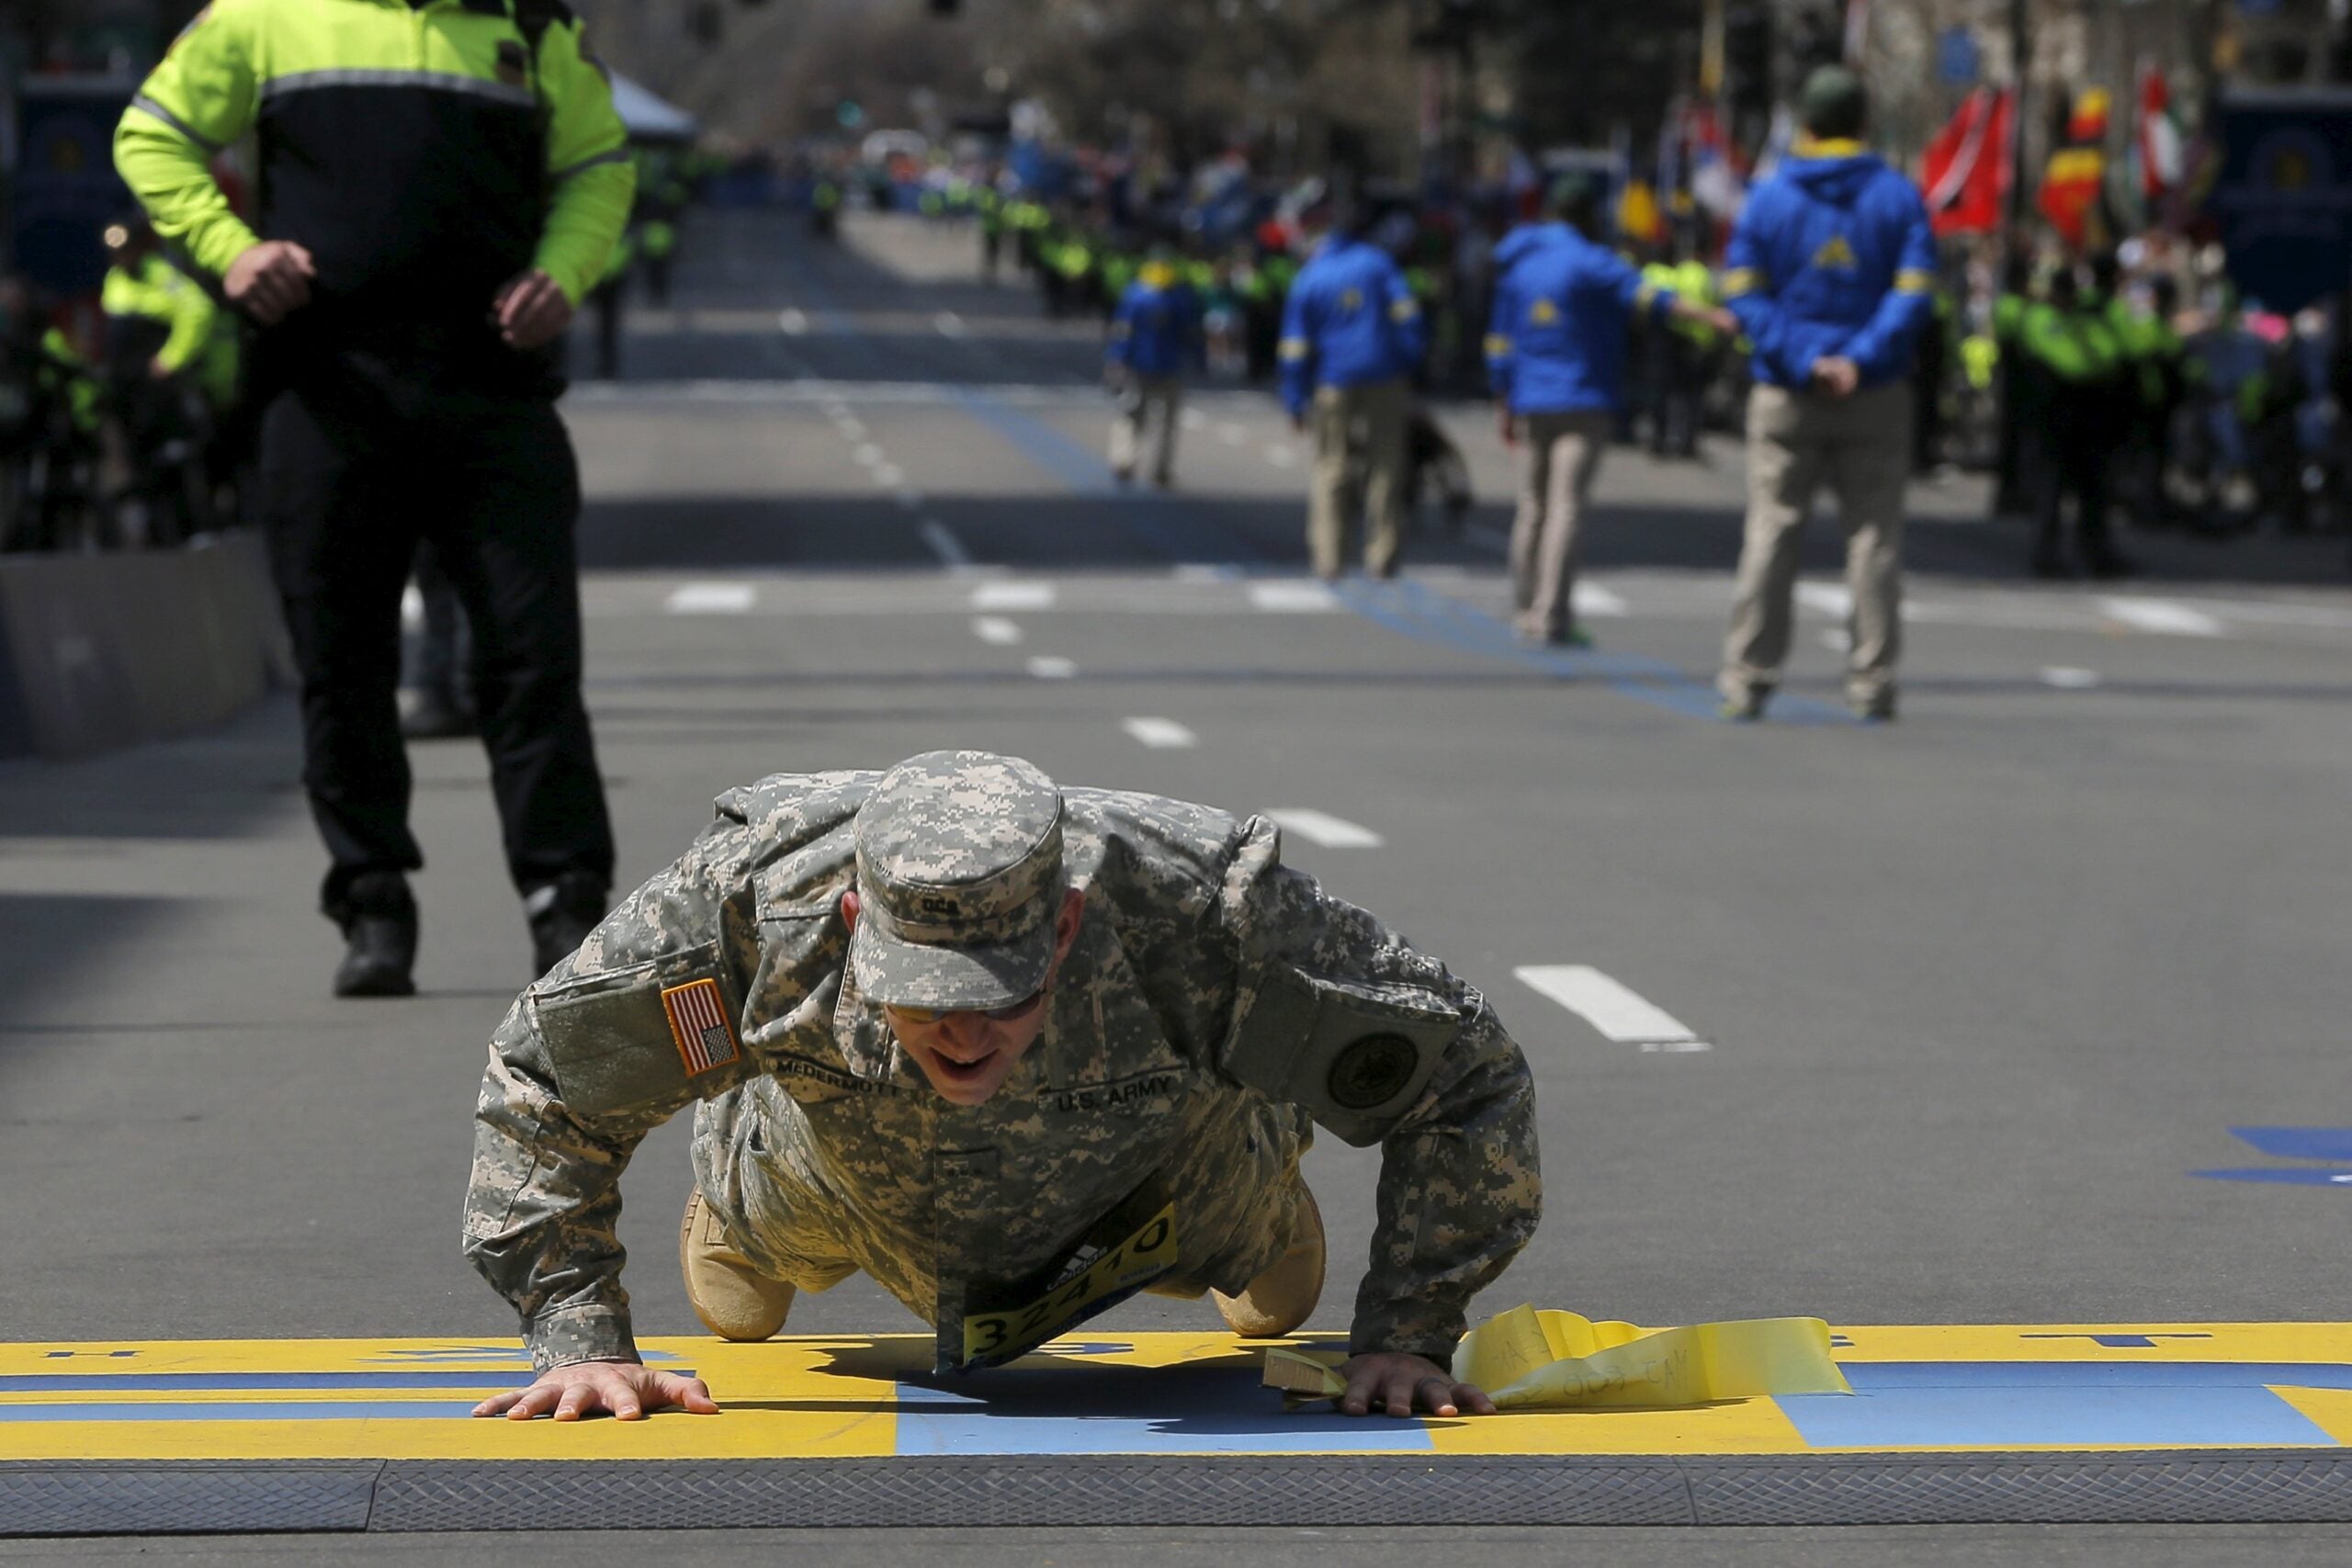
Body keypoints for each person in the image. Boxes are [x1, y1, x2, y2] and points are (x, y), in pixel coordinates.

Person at [464, 750, 1541, 1423]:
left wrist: (1409, 1326)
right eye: (924, 994)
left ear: (1065, 922)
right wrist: (578, 1336)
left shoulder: (1203, 911)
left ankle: (1262, 1217)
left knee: (1263, 1276)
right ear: (856, 925)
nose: (964, 1031)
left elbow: (1463, 1072)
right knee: (746, 1295)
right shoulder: (751, 905)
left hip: (1166, 1185)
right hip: (829, 1182)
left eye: (999, 990)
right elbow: (545, 1079)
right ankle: (738, 1217)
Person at [116, 0, 634, 996]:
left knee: (533, 659)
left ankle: (563, 900)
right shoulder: (263, 16)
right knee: (340, 660)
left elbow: (598, 165)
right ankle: (372, 896)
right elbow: (155, 135)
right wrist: (230, 251)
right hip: (327, 395)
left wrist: (563, 273)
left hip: (494, 397)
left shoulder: (525, 23)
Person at [1716, 66, 1934, 723]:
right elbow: (1914, 293)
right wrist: (1858, 359)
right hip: (1875, 393)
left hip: (1787, 391)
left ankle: (1749, 677)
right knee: (1874, 540)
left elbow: (1744, 294)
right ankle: (1872, 683)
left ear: (1806, 125)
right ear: (1864, 123)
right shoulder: (1898, 197)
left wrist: (1805, 358)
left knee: (1772, 532)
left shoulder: (1770, 196)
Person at [1487, 176, 1734, 646]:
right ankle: (1552, 615)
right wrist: (1710, 316)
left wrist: (1503, 394)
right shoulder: (1593, 261)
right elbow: (1651, 299)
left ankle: (1524, 607)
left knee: (1532, 508)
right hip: (1584, 398)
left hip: (1530, 398)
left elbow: (1500, 339)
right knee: (1566, 509)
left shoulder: (1519, 264)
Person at [1279, 206, 1428, 580]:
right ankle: (1383, 555)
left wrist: (1295, 398)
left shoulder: (1310, 277)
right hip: (1386, 379)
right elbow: (1409, 318)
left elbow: (1295, 346)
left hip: (1335, 381)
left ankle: (1329, 558)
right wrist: (1407, 364)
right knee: (1386, 466)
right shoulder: (1379, 265)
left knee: (1331, 467)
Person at [2018, 265, 2130, 577]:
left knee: (2095, 488)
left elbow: (2113, 352)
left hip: (2088, 418)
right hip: (2053, 418)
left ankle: (2096, 551)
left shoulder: (2084, 319)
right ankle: (2046, 553)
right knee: (2050, 490)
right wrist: (2094, 361)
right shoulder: (2042, 319)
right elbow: (2072, 364)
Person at [1104, 250, 1203, 488]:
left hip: (1141, 365)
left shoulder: (1136, 294)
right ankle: (1160, 469)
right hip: (1169, 366)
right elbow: (1192, 334)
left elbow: (1122, 331)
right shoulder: (1180, 296)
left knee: (1131, 416)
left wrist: (1117, 359)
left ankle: (1124, 460)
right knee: (1165, 422)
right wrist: (1200, 361)